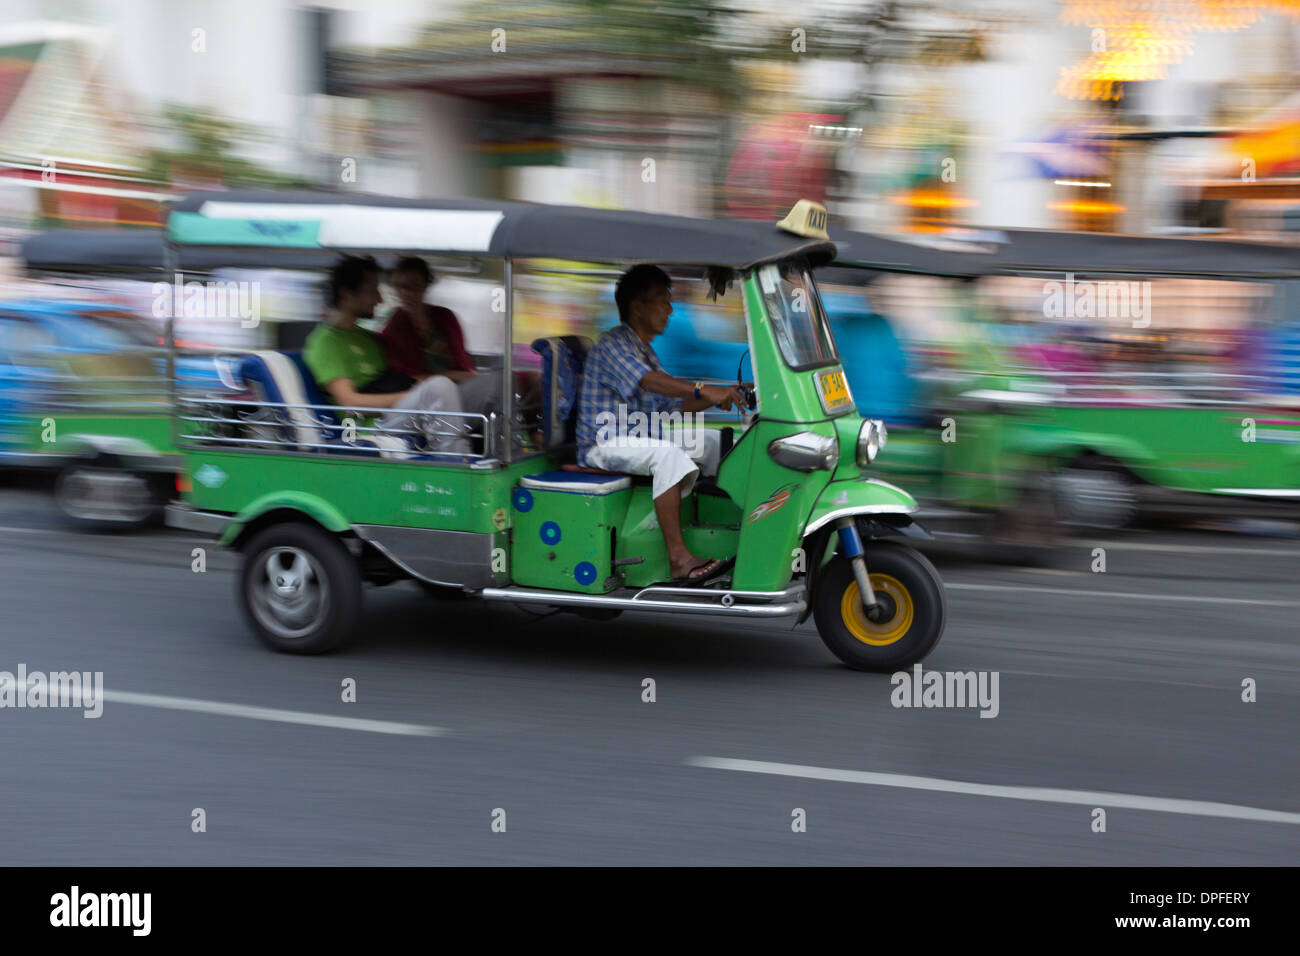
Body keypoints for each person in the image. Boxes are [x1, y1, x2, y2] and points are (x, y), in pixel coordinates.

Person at [576, 265, 745, 584]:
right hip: (603, 445)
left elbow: (676, 404)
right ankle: (679, 558)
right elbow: (652, 383)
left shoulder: (644, 351)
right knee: (666, 455)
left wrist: (722, 395)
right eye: (662, 301)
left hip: (637, 436)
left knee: (713, 441)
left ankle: (732, 532)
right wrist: (704, 389)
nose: (670, 309)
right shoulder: (613, 345)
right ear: (637, 307)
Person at [303, 256, 469, 453]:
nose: (379, 299)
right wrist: (414, 396)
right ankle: (456, 462)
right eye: (372, 291)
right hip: (370, 425)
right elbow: (350, 402)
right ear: (347, 294)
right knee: (438, 389)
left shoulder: (367, 337)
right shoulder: (325, 343)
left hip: (395, 411)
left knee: (483, 388)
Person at [380, 257, 505, 422]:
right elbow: (408, 378)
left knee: (504, 382)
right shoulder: (394, 326)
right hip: (424, 397)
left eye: (414, 286)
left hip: (459, 385)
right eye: (401, 287)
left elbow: (463, 363)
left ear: (425, 285)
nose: (407, 293)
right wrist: (459, 376)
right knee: (495, 386)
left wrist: (467, 376)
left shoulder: (445, 317)